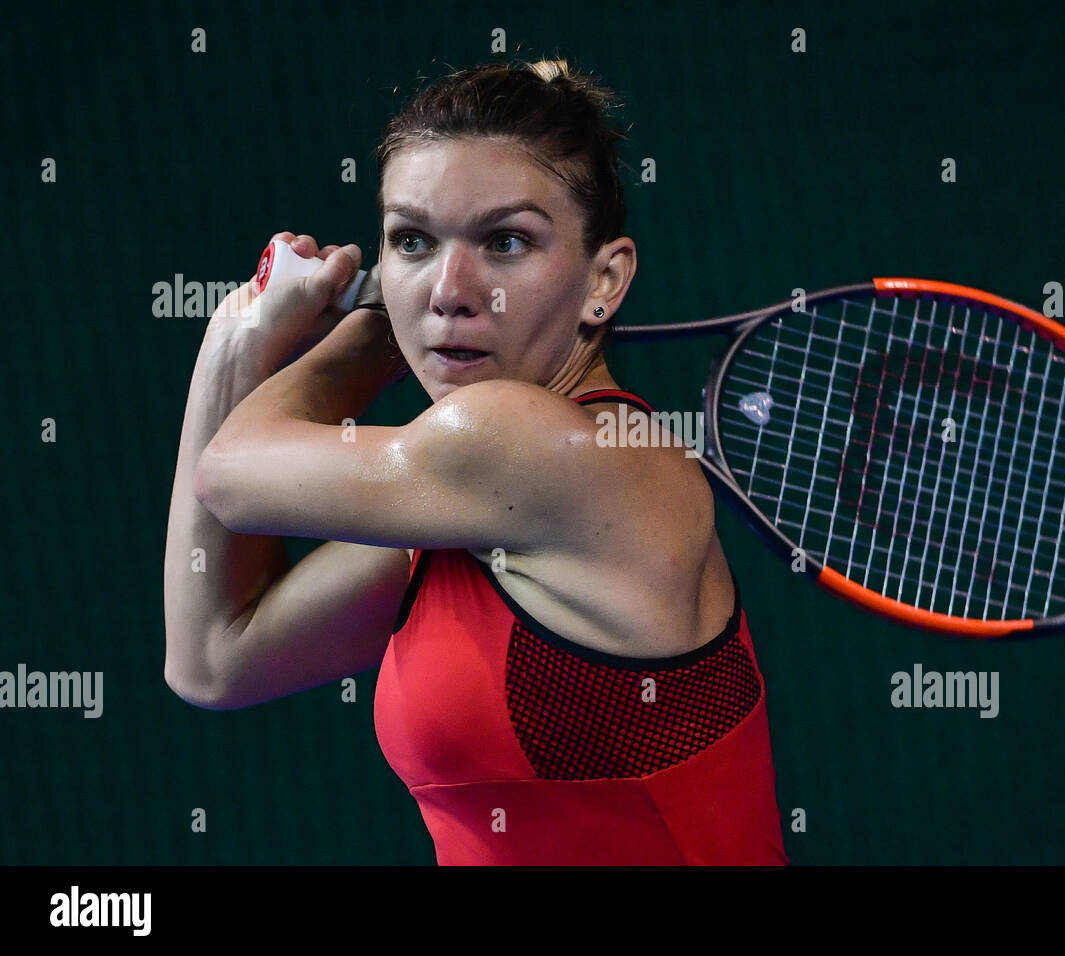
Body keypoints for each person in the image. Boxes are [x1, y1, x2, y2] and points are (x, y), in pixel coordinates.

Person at [163, 58, 788, 865]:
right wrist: (234, 346)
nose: (453, 288)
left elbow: (229, 473)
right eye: (414, 241)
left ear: (605, 280)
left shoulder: (530, 449)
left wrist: (349, 326)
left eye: (506, 242)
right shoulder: (467, 508)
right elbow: (215, 659)